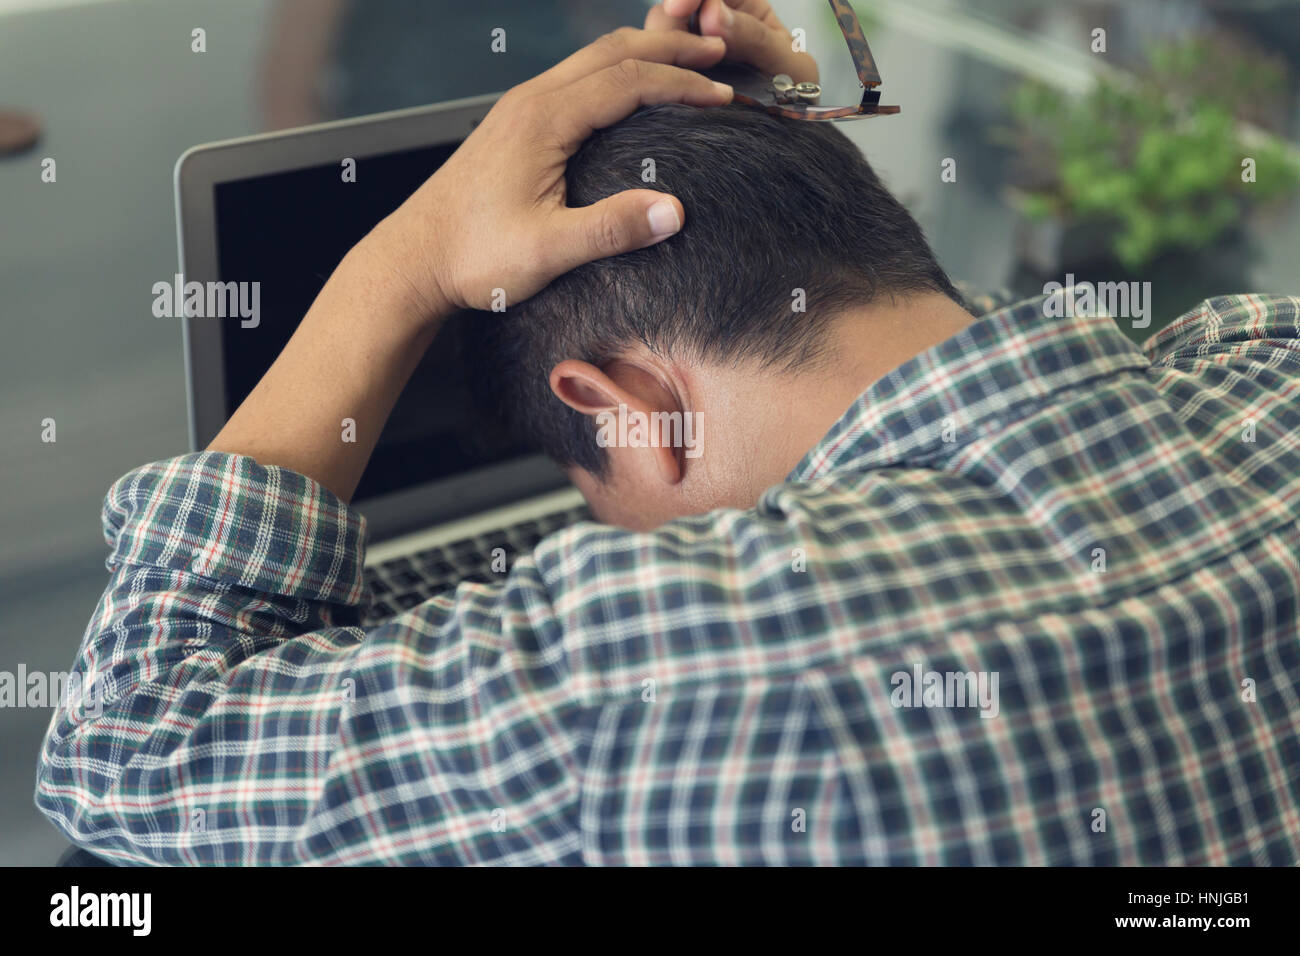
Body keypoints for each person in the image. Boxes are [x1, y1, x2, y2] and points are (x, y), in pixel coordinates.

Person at [36, 0, 1300, 865]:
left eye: (596, 502)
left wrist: (406, 262)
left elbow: (122, 752)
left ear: (625, 412)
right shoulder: (1259, 364)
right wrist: (745, 156)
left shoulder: (673, 645)